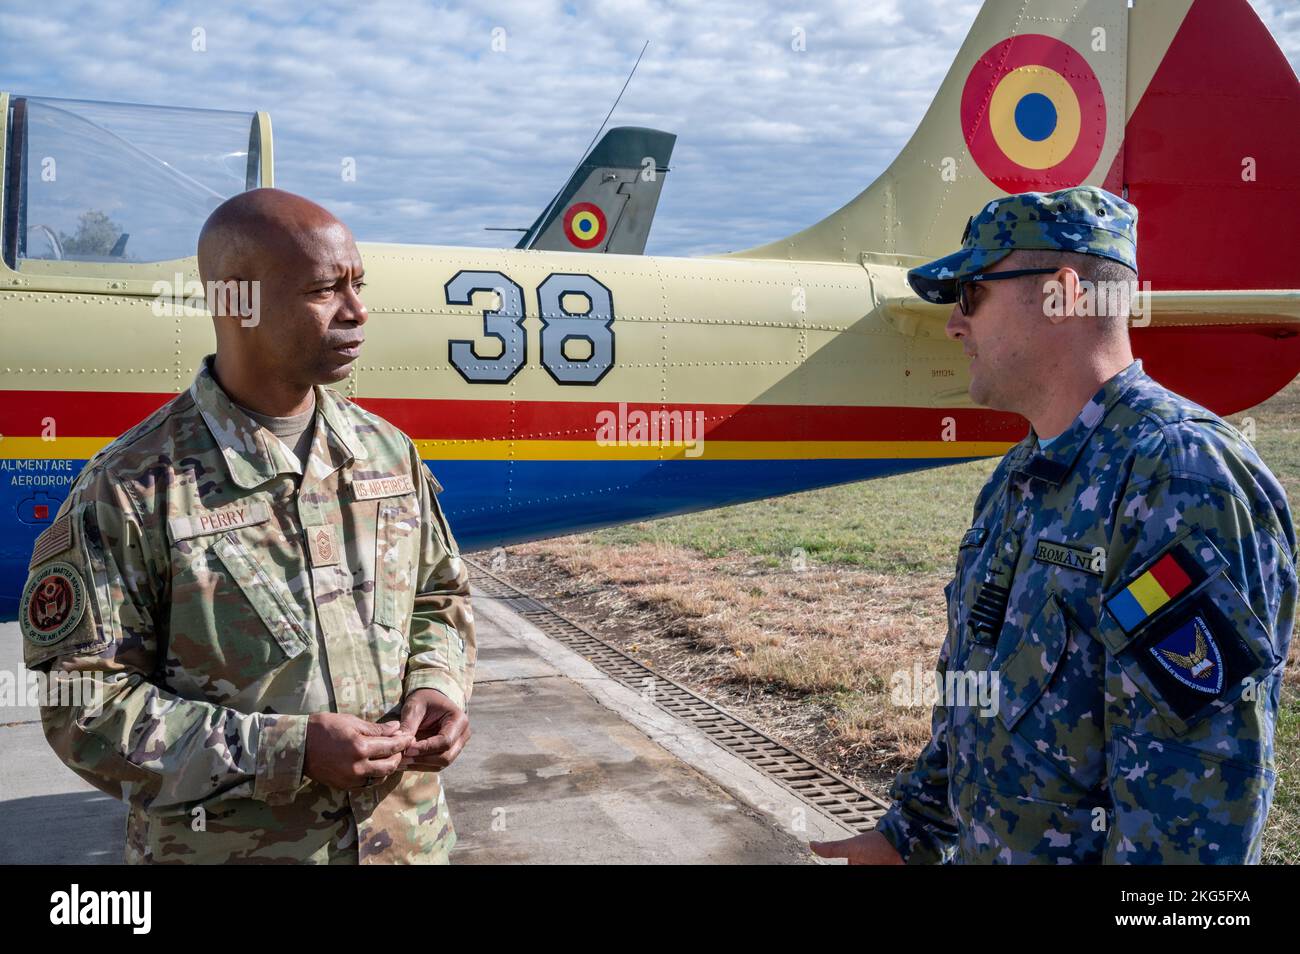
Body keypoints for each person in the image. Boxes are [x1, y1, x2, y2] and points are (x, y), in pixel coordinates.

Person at [812, 186, 1296, 864]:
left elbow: (1195, 812)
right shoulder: (1021, 476)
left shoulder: (1179, 475)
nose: (955, 324)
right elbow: (976, 693)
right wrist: (908, 838)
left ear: (1063, 294)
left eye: (972, 293)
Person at [18, 188, 475, 864]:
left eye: (358, 284)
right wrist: (285, 751)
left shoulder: (385, 453)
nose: (358, 312)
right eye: (325, 290)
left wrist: (436, 684)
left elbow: (439, 596)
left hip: (407, 847)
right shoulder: (132, 487)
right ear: (236, 303)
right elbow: (82, 708)